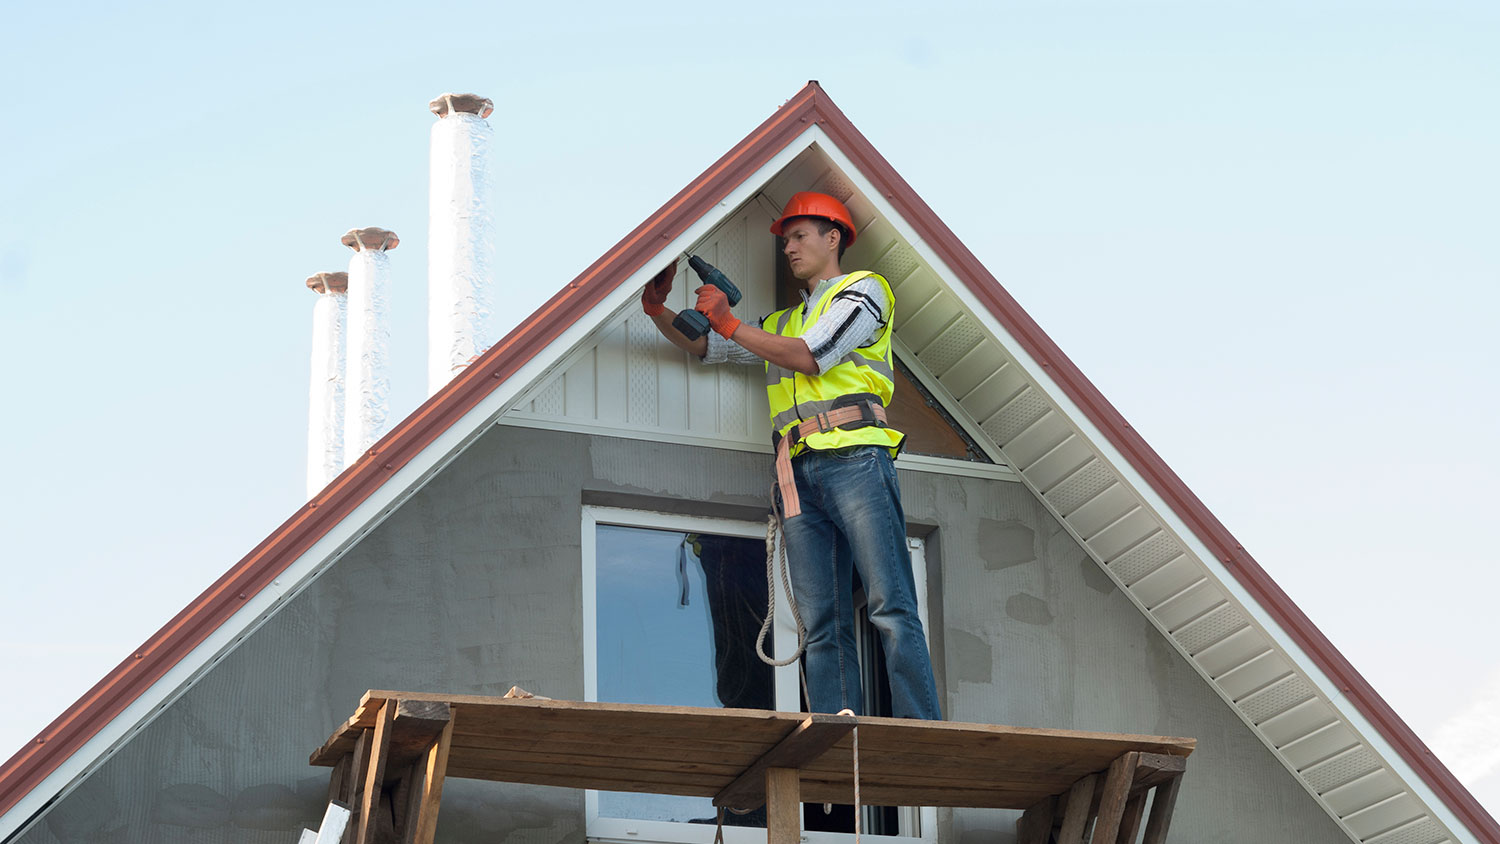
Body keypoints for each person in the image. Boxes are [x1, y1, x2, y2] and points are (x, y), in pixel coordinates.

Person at [641, 191, 941, 721]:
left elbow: (812, 355)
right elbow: (710, 348)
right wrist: (658, 309)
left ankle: (920, 726)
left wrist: (730, 322)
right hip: (797, 473)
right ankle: (837, 722)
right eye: (786, 240)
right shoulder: (778, 324)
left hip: (855, 456)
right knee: (821, 618)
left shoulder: (864, 291)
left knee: (889, 603)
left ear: (834, 238)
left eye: (800, 236)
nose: (789, 248)